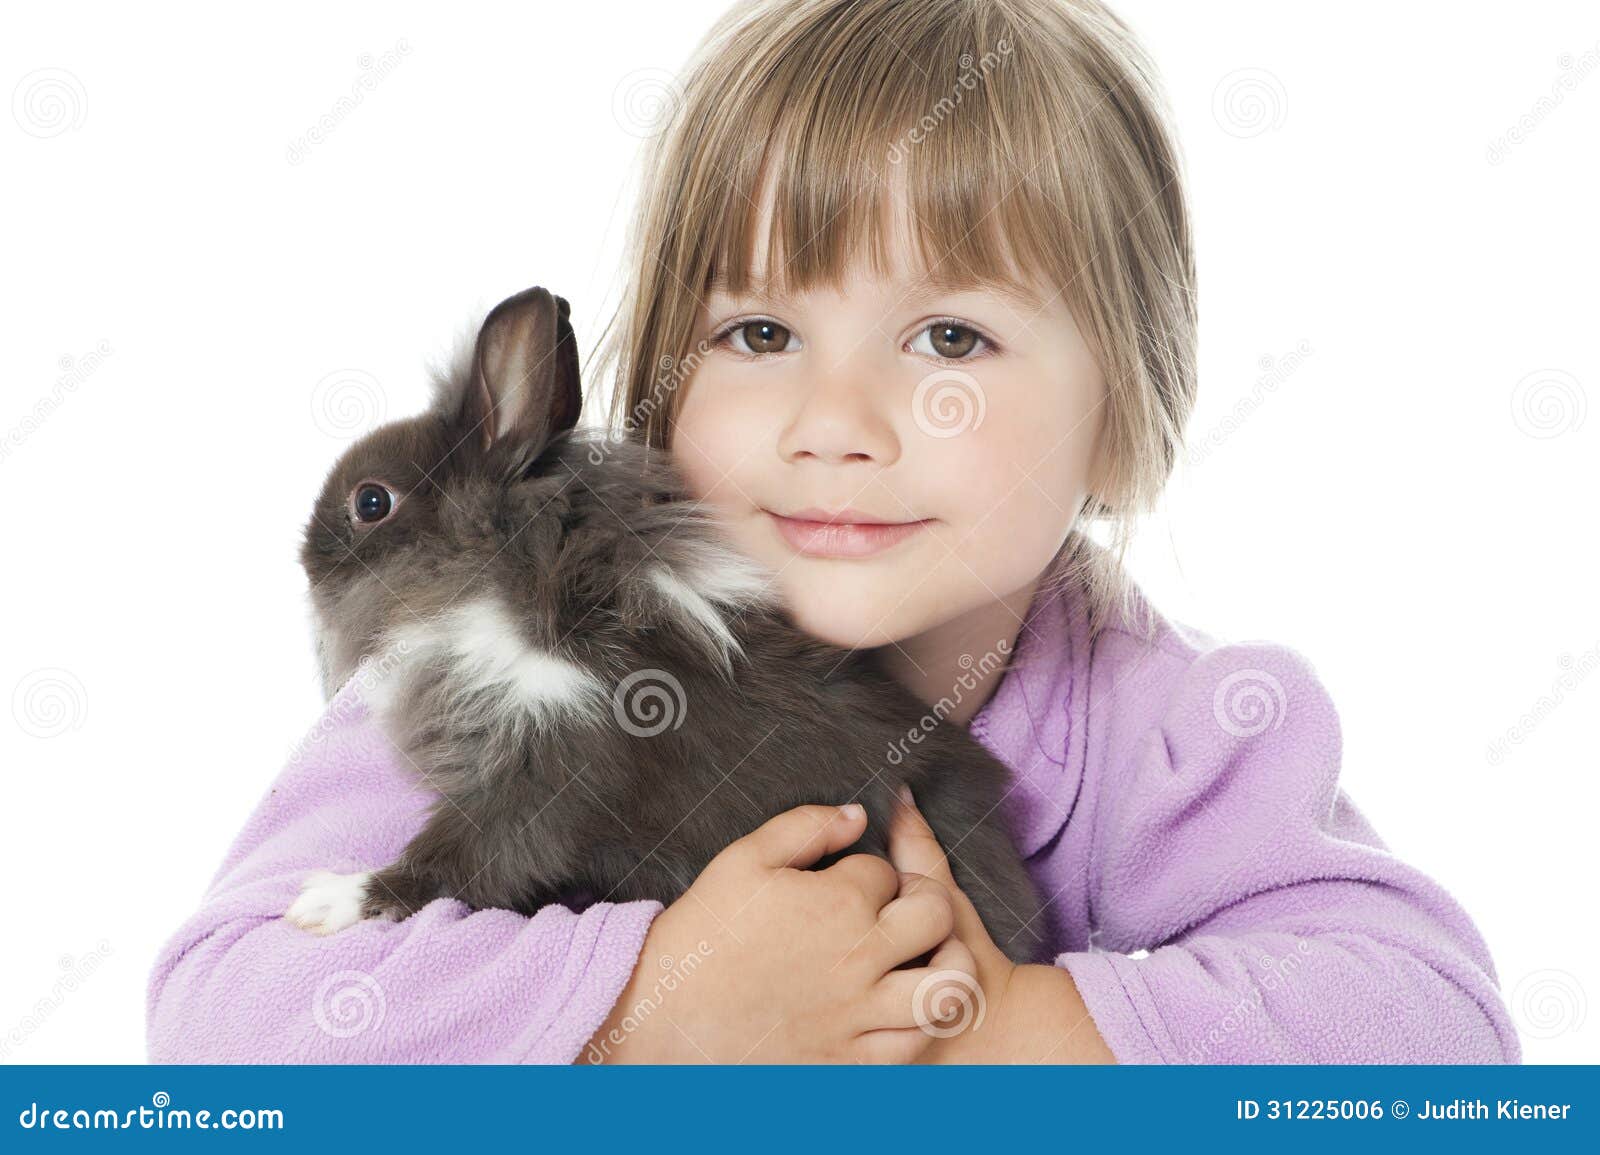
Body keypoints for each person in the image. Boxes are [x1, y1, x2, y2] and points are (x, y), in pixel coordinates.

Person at [147, 0, 1519, 1064]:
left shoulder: (1174, 726)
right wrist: (652, 1013)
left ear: (1121, 407)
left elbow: (1438, 1047)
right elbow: (223, 1027)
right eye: (760, 333)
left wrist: (990, 1031)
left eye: (949, 336)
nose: (838, 420)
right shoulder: (492, 677)